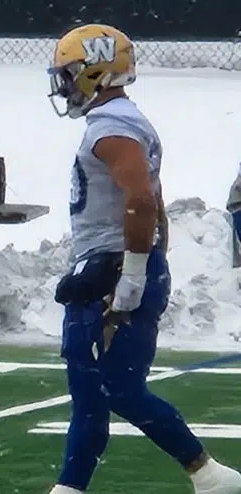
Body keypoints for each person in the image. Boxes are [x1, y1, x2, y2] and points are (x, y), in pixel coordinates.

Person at [45, 24, 241, 494]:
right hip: (107, 265)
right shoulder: (112, 123)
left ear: (94, 70)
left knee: (117, 388)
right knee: (90, 397)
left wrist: (133, 273)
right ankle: (69, 489)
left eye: (69, 74)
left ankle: (210, 476)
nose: (64, 86)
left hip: (114, 268)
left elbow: (141, 200)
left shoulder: (112, 128)